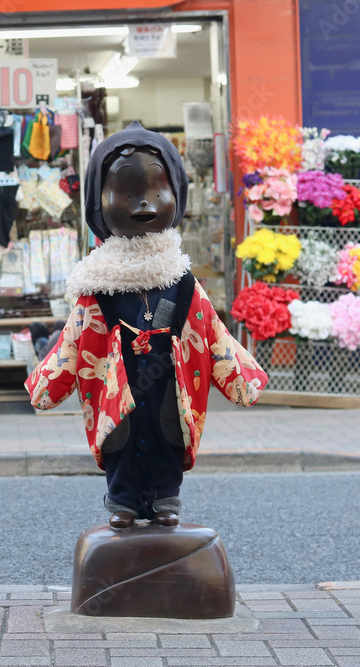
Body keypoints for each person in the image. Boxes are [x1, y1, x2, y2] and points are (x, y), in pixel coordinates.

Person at [25, 122, 268, 529]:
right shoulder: (96, 287)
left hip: (170, 382)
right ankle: (122, 499)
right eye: (126, 193)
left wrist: (240, 376)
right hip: (114, 382)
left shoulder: (183, 282)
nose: (144, 204)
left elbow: (213, 333)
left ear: (177, 195)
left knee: (167, 431)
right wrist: (48, 383)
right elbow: (72, 341)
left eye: (157, 192)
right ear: (99, 202)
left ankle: (164, 496)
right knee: (119, 434)